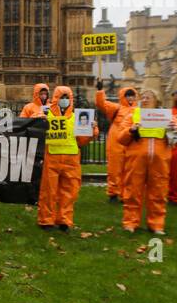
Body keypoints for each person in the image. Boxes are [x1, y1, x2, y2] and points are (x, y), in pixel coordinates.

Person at [121, 88, 177, 236]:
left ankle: (156, 224)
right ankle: (130, 222)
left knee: (158, 192)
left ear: (157, 100)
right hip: (136, 160)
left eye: (149, 97)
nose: (145, 99)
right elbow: (121, 138)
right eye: (143, 97)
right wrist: (131, 130)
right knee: (132, 191)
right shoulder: (133, 115)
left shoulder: (169, 118)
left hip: (160, 161)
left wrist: (173, 131)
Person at [37, 86, 97, 232]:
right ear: (56, 99)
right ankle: (46, 220)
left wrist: (93, 130)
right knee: (49, 191)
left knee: (69, 192)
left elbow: (81, 141)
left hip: (71, 159)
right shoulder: (47, 115)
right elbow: (37, 133)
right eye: (61, 97)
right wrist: (39, 122)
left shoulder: (77, 118)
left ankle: (64, 220)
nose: (64, 100)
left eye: (66, 97)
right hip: (52, 158)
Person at [95, 80, 139, 203]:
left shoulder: (139, 111)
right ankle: (113, 193)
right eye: (128, 95)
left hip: (131, 142)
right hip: (115, 143)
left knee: (130, 170)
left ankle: (126, 194)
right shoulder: (116, 108)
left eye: (132, 95)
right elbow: (101, 103)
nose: (130, 98)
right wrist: (100, 91)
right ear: (123, 97)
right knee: (114, 169)